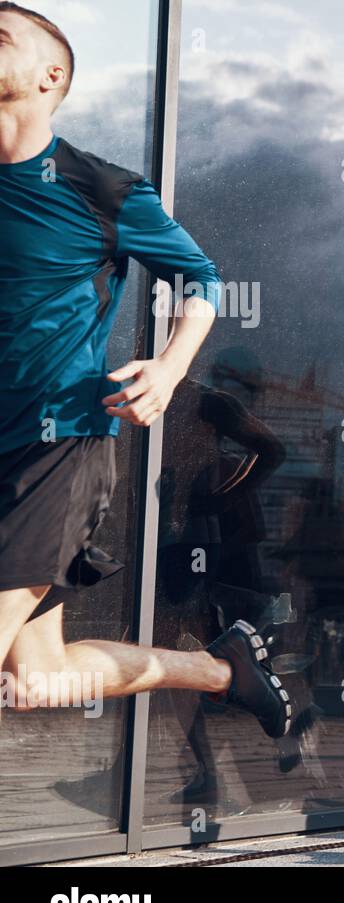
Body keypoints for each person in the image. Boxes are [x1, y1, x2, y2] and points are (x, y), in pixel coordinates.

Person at [0, 2, 291, 738]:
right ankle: (226, 668)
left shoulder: (100, 190)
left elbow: (201, 279)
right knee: (32, 676)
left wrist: (167, 368)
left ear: (49, 75)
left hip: (55, 443)